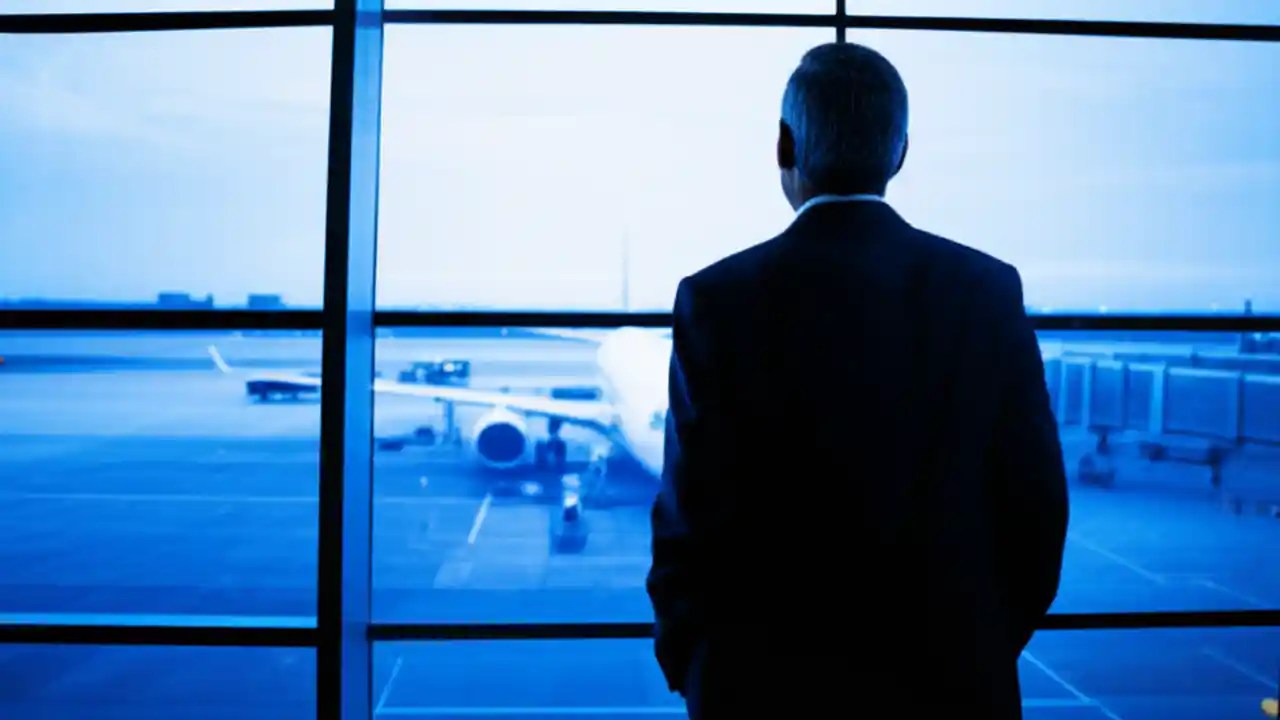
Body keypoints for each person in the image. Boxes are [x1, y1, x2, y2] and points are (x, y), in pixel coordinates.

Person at [646, 42, 1069, 718]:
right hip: (951, 688)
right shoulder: (985, 291)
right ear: (900, 152)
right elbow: (1036, 512)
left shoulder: (717, 299)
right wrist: (977, 648)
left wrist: (698, 667)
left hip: (763, 692)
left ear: (784, 147)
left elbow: (689, 519)